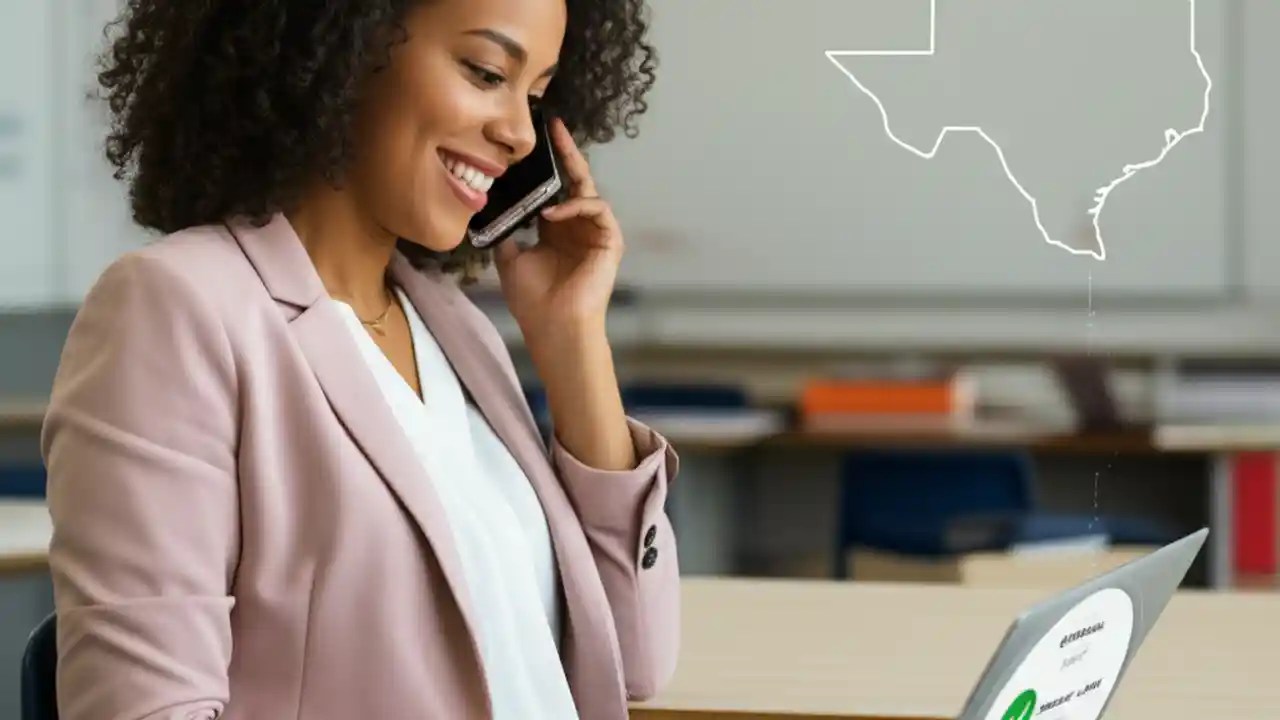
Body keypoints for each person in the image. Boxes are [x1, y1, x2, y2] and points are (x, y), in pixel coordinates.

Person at [39, 0, 680, 718]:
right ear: (346, 46)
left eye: (535, 97)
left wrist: (573, 339)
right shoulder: (175, 307)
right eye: (485, 72)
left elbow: (635, 661)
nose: (519, 133)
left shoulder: (454, 330)